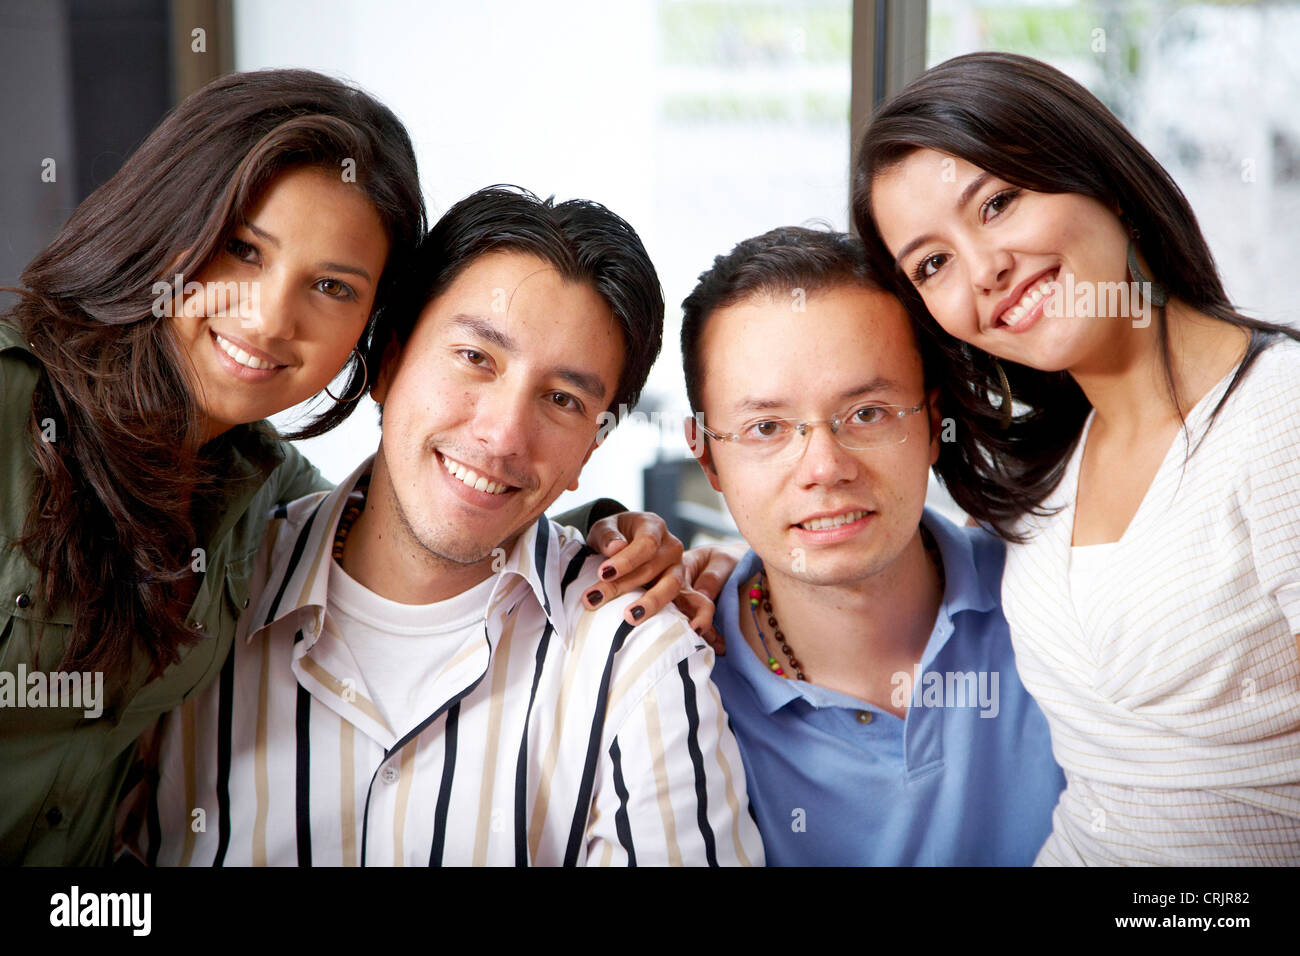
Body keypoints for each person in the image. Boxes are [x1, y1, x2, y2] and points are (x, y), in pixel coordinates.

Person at [0, 70, 688, 866]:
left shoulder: (252, 484)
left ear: (372, 330)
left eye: (331, 286)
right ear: (167, 221)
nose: (268, 317)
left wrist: (610, 537)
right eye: (243, 249)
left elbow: (417, 528)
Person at [124, 187, 763, 866]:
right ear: (388, 361)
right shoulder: (197, 592)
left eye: (562, 399)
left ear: (590, 450)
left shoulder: (636, 656)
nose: (502, 434)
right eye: (475, 358)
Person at [856, 51, 1300, 864]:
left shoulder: (1279, 418)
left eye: (997, 203)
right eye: (932, 263)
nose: (984, 271)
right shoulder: (1047, 473)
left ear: (1103, 179)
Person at [679, 225, 1063, 865]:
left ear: (934, 424)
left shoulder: (1053, 595)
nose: (824, 467)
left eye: (868, 413)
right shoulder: (680, 687)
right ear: (709, 458)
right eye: (766, 427)